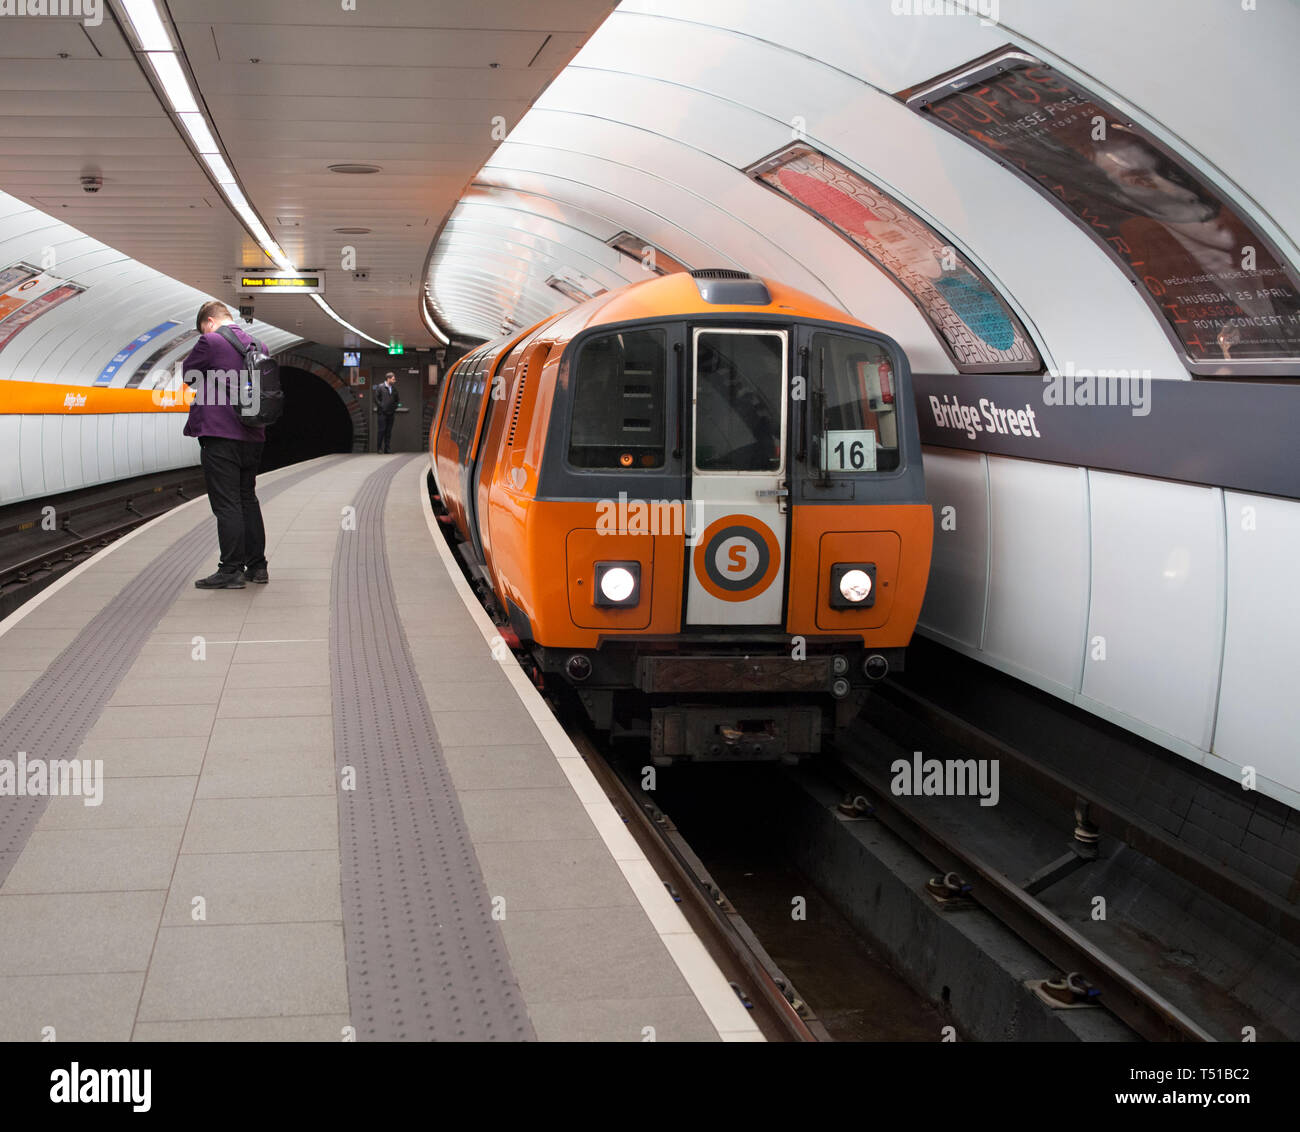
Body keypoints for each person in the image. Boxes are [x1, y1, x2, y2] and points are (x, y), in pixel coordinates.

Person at [182, 301, 269, 588]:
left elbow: (188, 375)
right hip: (253, 435)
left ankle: (230, 569)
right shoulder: (260, 345)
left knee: (227, 503)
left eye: (201, 329)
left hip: (221, 435)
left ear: (209, 321)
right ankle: (257, 567)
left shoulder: (211, 341)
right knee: (248, 499)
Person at [374, 371, 399, 453]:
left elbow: (397, 400)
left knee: (388, 431)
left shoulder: (394, 389)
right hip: (382, 413)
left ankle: (387, 449)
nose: (394, 380)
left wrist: (394, 408)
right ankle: (379, 448)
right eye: (393, 379)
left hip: (391, 413)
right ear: (388, 379)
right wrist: (381, 407)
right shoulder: (380, 387)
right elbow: (376, 399)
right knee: (381, 430)